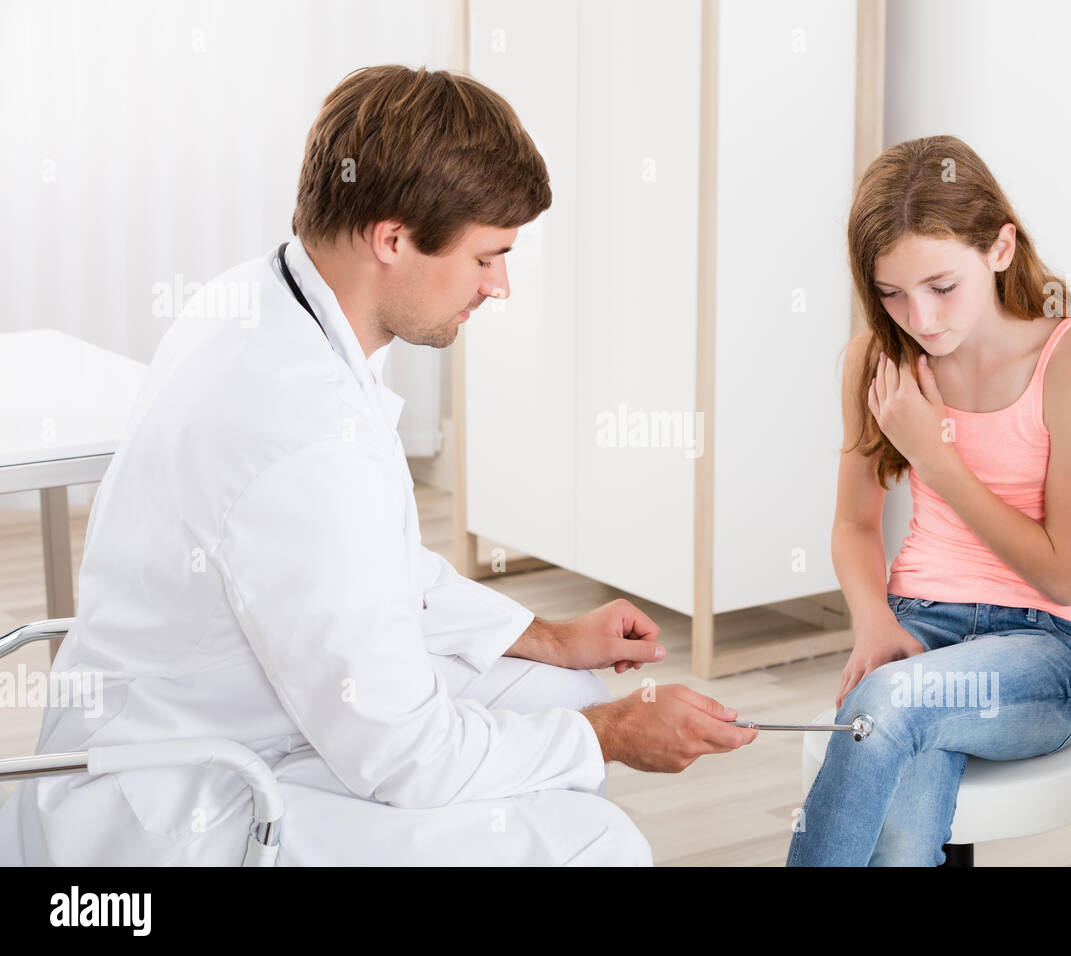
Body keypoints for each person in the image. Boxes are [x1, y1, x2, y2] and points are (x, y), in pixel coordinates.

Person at [12, 65, 757, 867]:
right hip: (169, 802)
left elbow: (377, 566)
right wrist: (610, 737)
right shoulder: (302, 436)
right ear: (393, 238)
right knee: (597, 845)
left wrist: (548, 638)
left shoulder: (267, 295)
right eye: (485, 258)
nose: (500, 286)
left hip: (224, 704)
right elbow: (406, 756)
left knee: (559, 689)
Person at [787, 135, 1071, 866]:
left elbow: (1065, 574)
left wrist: (935, 456)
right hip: (917, 626)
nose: (921, 318)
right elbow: (852, 523)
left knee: (890, 706)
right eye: (891, 293)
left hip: (1047, 645)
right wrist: (874, 622)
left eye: (942, 286)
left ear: (1000, 250)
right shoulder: (876, 361)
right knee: (902, 835)